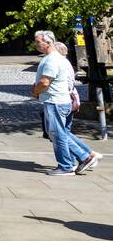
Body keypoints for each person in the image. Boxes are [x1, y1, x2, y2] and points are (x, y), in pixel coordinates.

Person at [32, 30, 100, 175]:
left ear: (48, 42)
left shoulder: (52, 59)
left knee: (58, 134)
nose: (36, 44)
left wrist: (36, 92)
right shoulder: (56, 58)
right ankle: (84, 156)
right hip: (60, 101)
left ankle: (71, 164)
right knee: (61, 133)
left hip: (55, 101)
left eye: (38, 42)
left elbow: (45, 82)